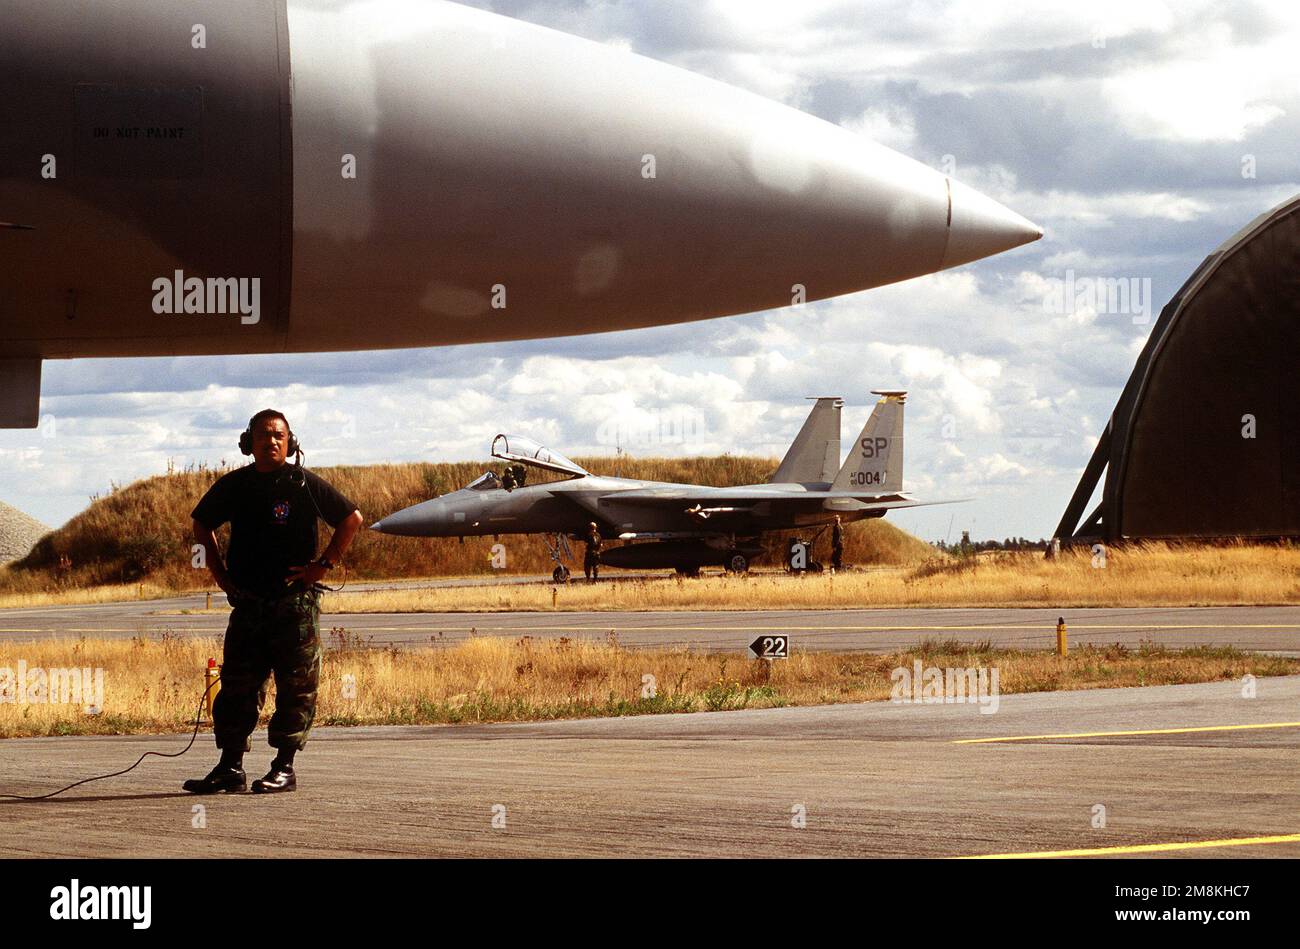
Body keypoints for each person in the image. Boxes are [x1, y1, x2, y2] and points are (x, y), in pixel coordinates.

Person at [183, 409, 363, 795]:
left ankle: (284, 767)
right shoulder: (235, 486)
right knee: (237, 688)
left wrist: (323, 565)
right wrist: (222, 578)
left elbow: (351, 519)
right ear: (249, 443)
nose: (272, 443)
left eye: (279, 436)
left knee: (295, 687)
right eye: (264, 436)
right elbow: (202, 524)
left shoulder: (304, 484)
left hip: (293, 605)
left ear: (290, 442)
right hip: (248, 603)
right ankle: (230, 767)